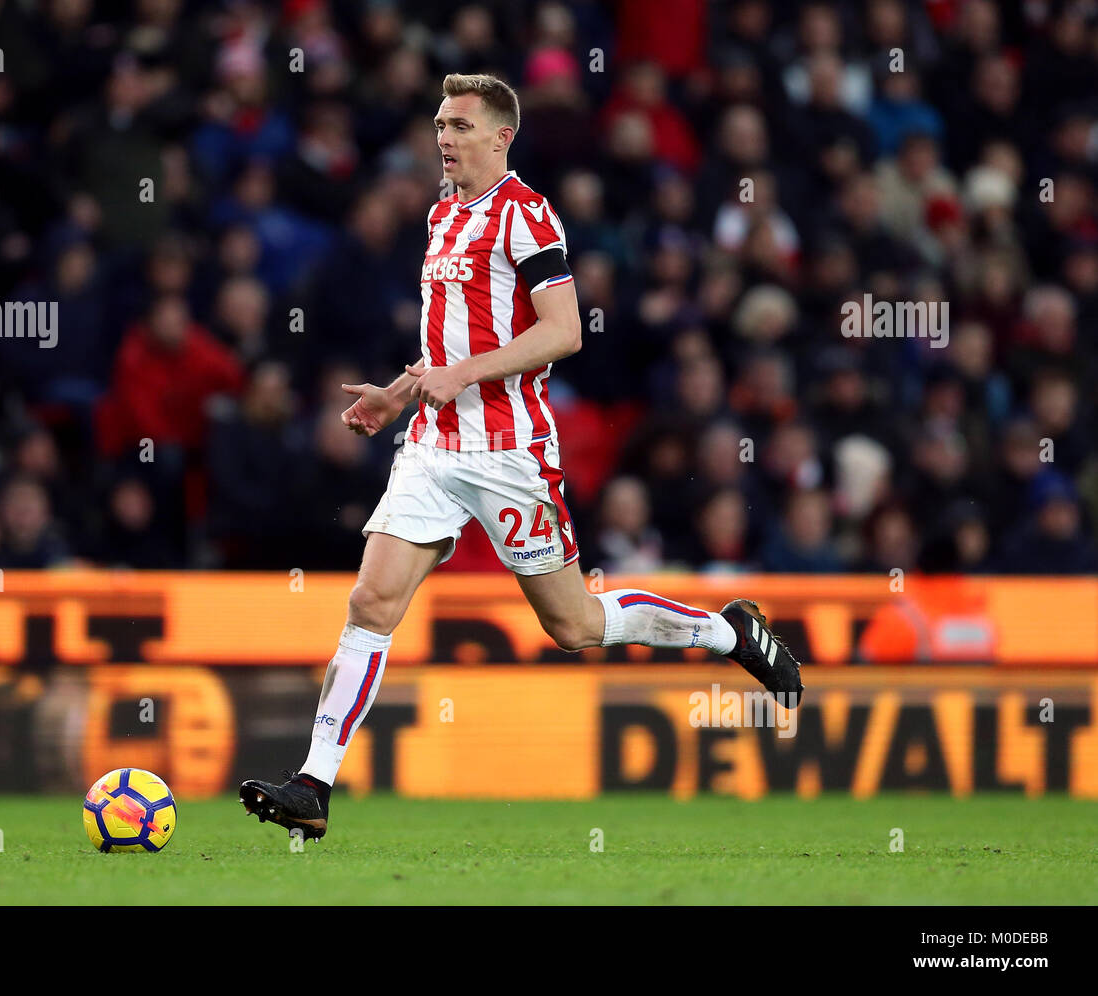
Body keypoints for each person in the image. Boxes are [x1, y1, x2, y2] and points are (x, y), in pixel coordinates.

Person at [240, 74, 804, 841]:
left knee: (572, 626)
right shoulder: (442, 214)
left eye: (461, 126)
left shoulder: (528, 215)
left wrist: (459, 377)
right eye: (440, 123)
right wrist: (400, 395)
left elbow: (564, 331)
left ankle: (729, 633)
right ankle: (314, 785)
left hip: (511, 452)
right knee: (371, 602)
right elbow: (450, 343)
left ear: (502, 137)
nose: (444, 137)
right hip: (434, 447)